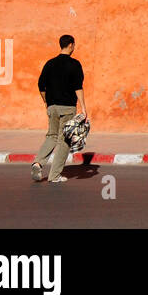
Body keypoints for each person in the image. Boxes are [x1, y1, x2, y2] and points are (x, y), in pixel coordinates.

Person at [32, 35, 88, 184]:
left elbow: (41, 85)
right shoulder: (74, 64)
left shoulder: (50, 63)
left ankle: (38, 163)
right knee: (64, 141)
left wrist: (46, 102)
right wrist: (83, 107)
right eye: (73, 45)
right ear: (70, 45)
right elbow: (78, 87)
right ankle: (54, 175)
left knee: (51, 136)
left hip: (52, 107)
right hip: (67, 107)